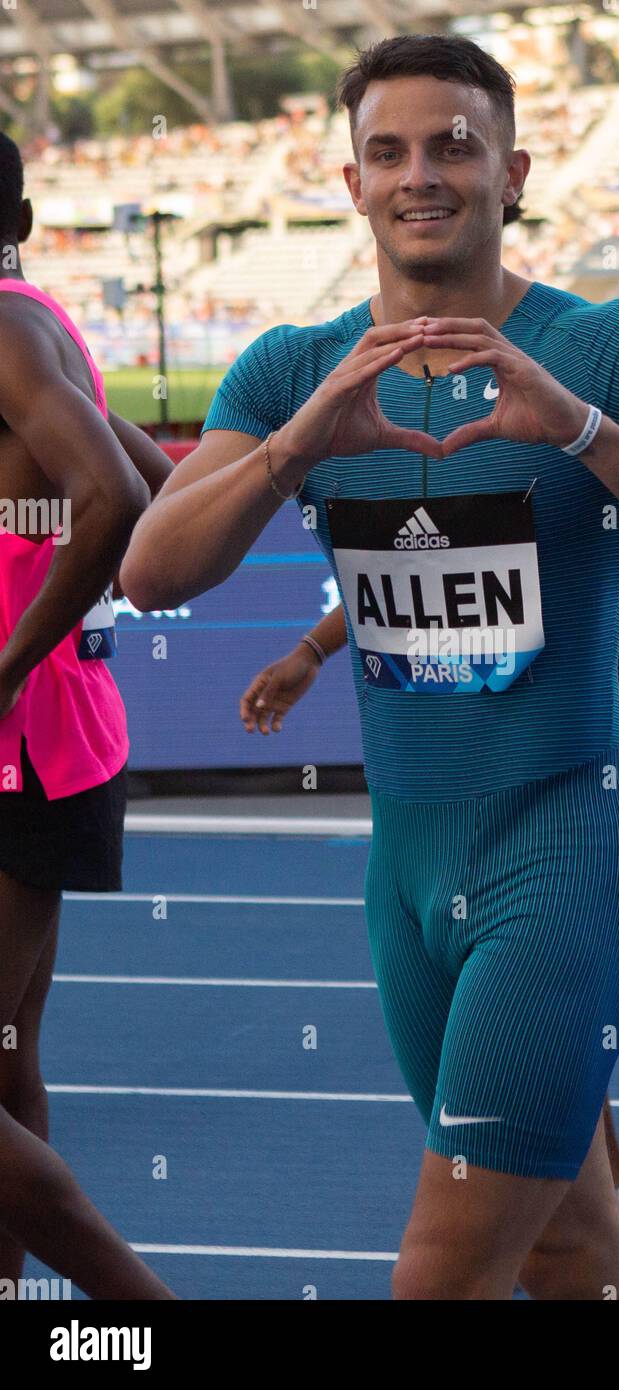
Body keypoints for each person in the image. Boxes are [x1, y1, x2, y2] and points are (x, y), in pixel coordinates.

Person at [121, 34, 619, 1300]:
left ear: (513, 172)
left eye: (453, 145)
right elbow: (152, 574)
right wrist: (295, 445)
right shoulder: (288, 367)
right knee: (568, 1256)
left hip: (571, 857)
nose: (419, 174)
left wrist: (584, 431)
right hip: (407, 876)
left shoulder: (605, 346)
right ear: (352, 183)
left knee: (439, 1277)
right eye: (389, 150)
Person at [239, 532, 619, 1229]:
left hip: (549, 784)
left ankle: (596, 1190)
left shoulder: (554, 430)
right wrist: (313, 650)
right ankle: (581, 1205)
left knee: (533, 1021)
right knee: (511, 1054)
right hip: (431, 808)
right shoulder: (404, 453)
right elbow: (417, 571)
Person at [0, 130, 175, 1299]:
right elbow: (156, 488)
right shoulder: (32, 315)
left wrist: (13, 663)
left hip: (23, 744)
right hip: (59, 734)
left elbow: (114, 495)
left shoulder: (4, 331)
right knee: (11, 1063)